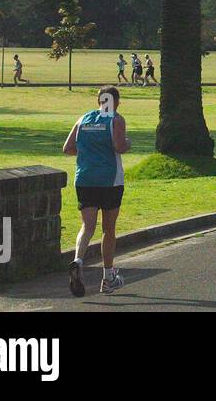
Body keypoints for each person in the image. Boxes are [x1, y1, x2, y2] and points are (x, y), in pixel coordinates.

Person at [63, 86, 129, 296]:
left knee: (87, 226)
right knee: (108, 229)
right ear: (116, 101)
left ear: (99, 101)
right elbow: (119, 147)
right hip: (109, 180)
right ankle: (108, 278)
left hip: (84, 179)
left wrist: (89, 154)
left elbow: (68, 148)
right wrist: (128, 143)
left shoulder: (83, 119)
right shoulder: (116, 120)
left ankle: (78, 260)